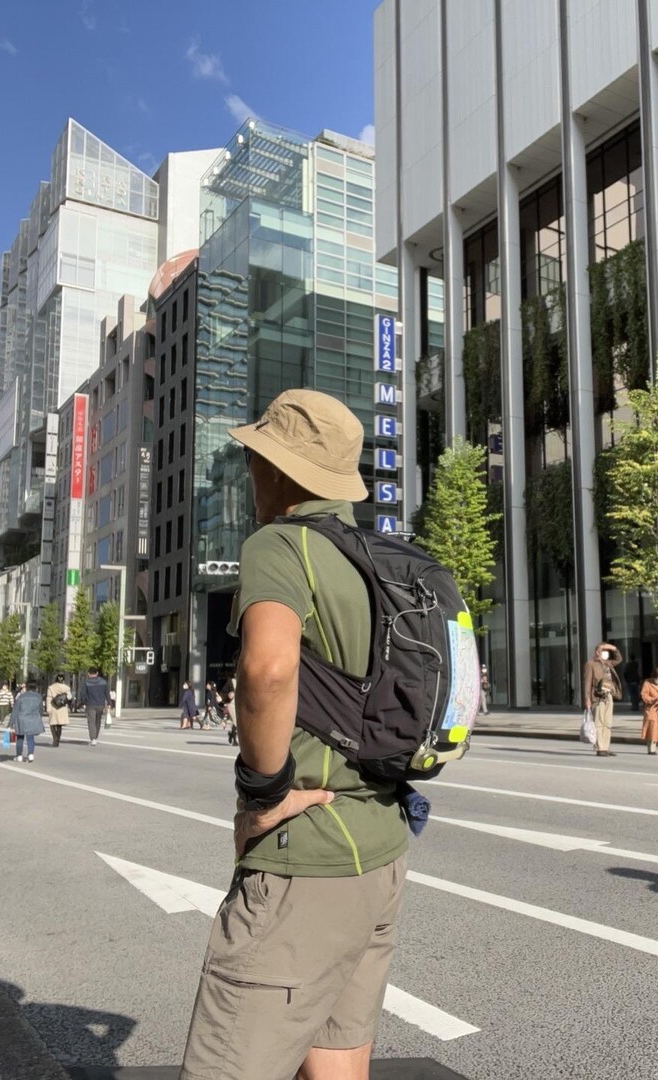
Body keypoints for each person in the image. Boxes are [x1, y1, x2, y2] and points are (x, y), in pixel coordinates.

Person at [179, 388, 410, 1080]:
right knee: (338, 1066)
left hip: (304, 858)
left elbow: (270, 667)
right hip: (381, 847)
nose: (250, 469)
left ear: (281, 470)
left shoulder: (280, 543)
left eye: (256, 456)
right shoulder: (381, 559)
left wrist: (263, 793)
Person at [583, 641, 624, 757]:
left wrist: (613, 647)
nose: (606, 653)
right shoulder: (590, 664)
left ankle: (606, 747)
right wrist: (587, 699)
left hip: (609, 695)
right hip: (598, 697)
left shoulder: (608, 663)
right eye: (603, 651)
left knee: (607, 723)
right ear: (597, 652)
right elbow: (587, 683)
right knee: (599, 722)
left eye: (607, 651)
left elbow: (619, 659)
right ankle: (600, 748)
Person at [9, 679, 45, 763]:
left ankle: (19, 756)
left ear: (27, 687)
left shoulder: (21, 696)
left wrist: (11, 723)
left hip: (21, 719)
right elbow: (40, 710)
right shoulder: (39, 696)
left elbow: (15, 710)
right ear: (36, 687)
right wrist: (39, 718)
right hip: (33, 718)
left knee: (20, 737)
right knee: (30, 737)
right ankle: (30, 754)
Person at [81, 667, 109, 745]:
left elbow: (83, 695)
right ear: (97, 673)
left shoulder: (86, 682)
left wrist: (83, 703)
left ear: (88, 674)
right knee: (98, 721)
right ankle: (95, 736)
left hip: (90, 705)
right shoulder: (104, 682)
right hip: (101, 704)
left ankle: (93, 738)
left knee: (91, 722)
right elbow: (107, 693)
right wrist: (109, 703)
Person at [46, 674, 72, 747]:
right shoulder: (66, 688)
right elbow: (69, 697)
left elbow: (48, 698)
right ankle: (58, 739)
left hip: (53, 706)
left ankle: (55, 739)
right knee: (59, 725)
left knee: (52, 724)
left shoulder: (51, 687)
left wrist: (48, 709)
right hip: (62, 707)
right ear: (63, 680)